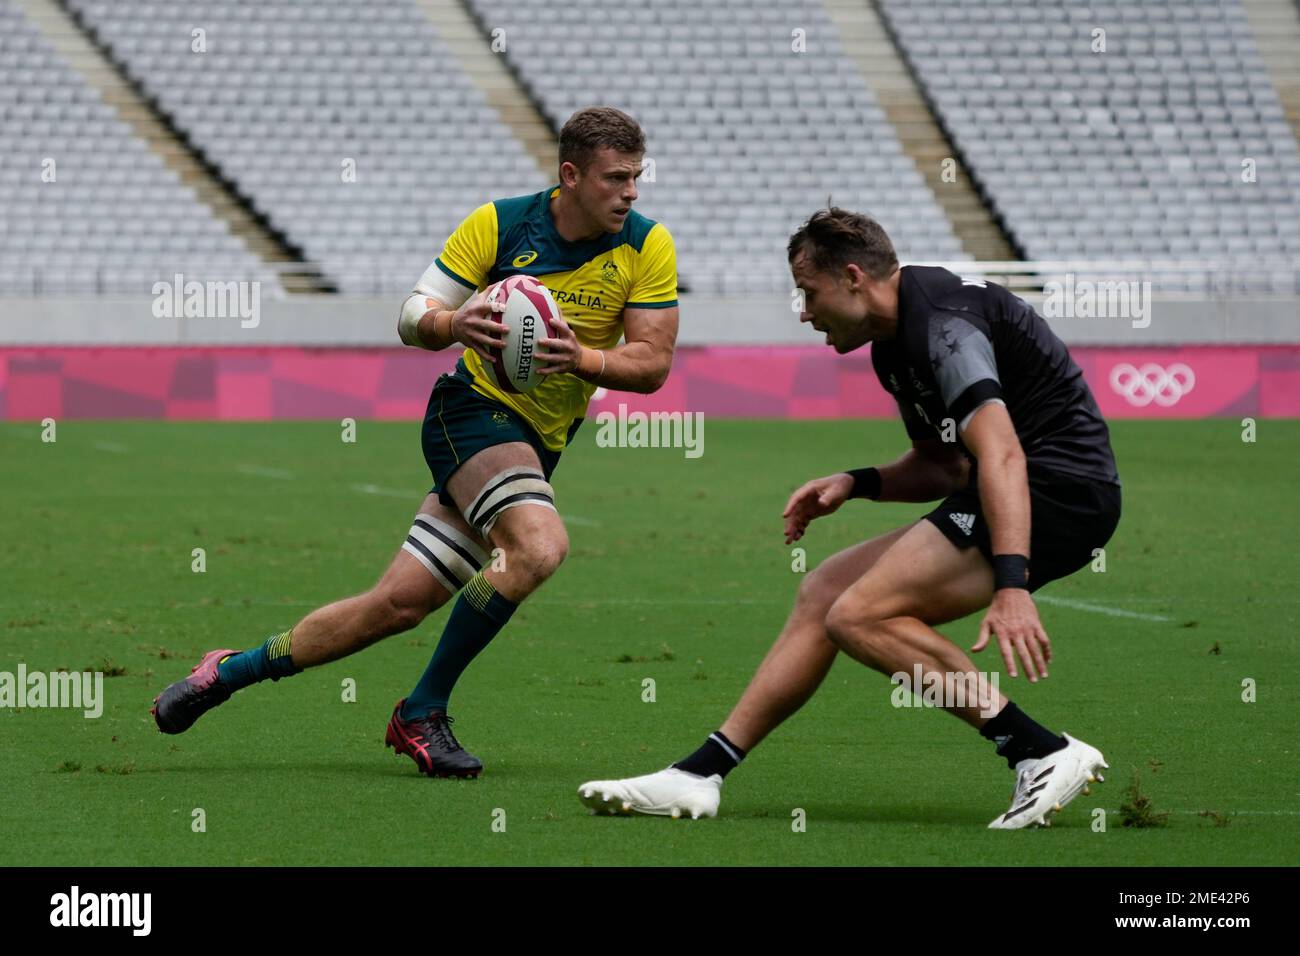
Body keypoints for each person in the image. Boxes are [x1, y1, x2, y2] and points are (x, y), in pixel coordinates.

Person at [152, 106, 680, 778]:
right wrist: (457, 321)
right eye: (616, 178)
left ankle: (225, 673)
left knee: (395, 606)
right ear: (570, 175)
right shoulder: (499, 223)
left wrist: (581, 358)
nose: (631, 191)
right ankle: (423, 710)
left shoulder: (647, 244)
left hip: (536, 442)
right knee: (540, 546)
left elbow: (652, 363)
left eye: (636, 177)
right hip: (470, 413)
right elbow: (412, 314)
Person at [578, 207, 1119, 828]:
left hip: (1060, 492)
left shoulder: (943, 326)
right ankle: (700, 774)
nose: (805, 312)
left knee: (858, 615)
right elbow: (946, 468)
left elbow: (1000, 452)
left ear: (855, 278)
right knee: (826, 590)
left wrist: (1013, 585)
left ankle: (1040, 751)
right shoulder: (893, 347)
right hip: (1015, 487)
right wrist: (856, 483)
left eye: (809, 292)